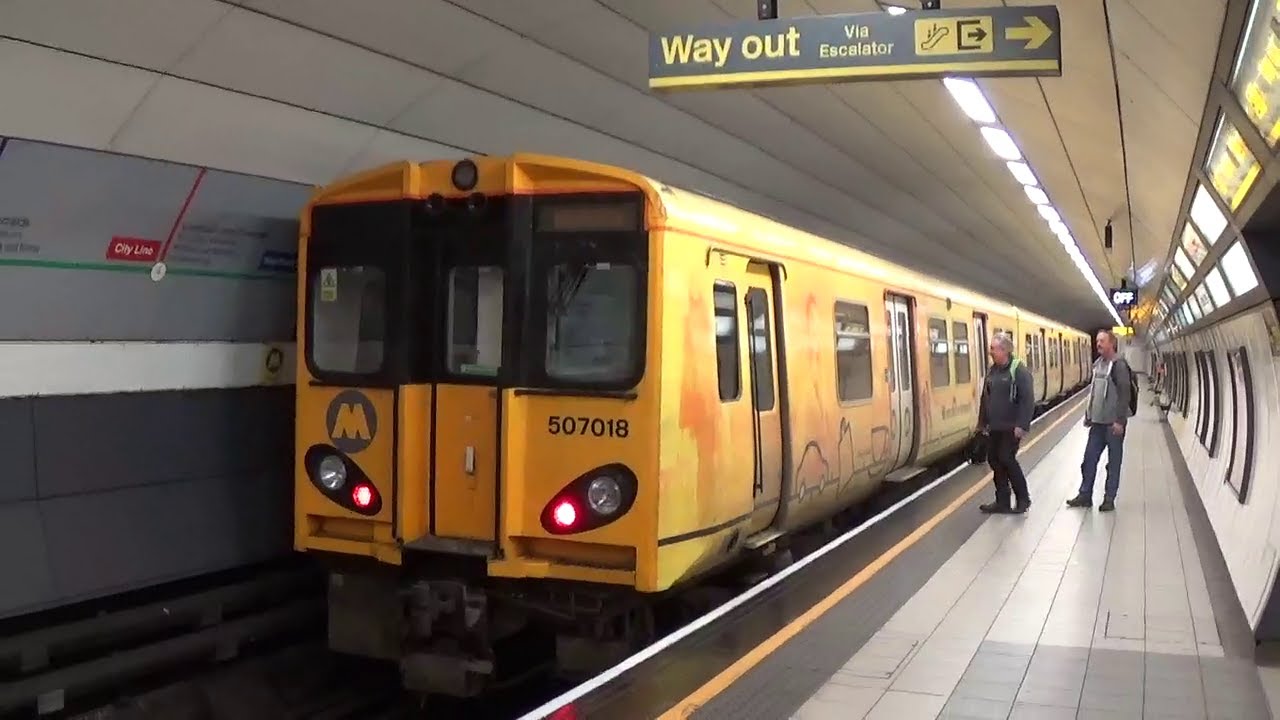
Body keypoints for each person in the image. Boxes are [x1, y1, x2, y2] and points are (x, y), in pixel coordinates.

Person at [1067, 329, 1133, 512]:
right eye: (1097, 341)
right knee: (1089, 460)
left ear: (1112, 344)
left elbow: (1124, 393)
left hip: (1113, 425)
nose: (1098, 344)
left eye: (1102, 341)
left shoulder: (1119, 366)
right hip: (1097, 424)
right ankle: (1085, 495)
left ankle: (1109, 498)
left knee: (1113, 463)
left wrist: (1120, 421)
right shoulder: (1098, 365)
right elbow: (1094, 392)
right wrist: (1089, 414)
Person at [976, 332, 1035, 514]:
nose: (990, 352)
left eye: (993, 348)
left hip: (1011, 426)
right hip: (995, 426)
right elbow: (986, 397)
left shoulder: (1018, 370)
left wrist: (1022, 425)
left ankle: (1023, 498)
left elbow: (1027, 399)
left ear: (1004, 350)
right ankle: (1002, 500)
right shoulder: (993, 370)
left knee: (1007, 459)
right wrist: (982, 423)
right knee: (994, 459)